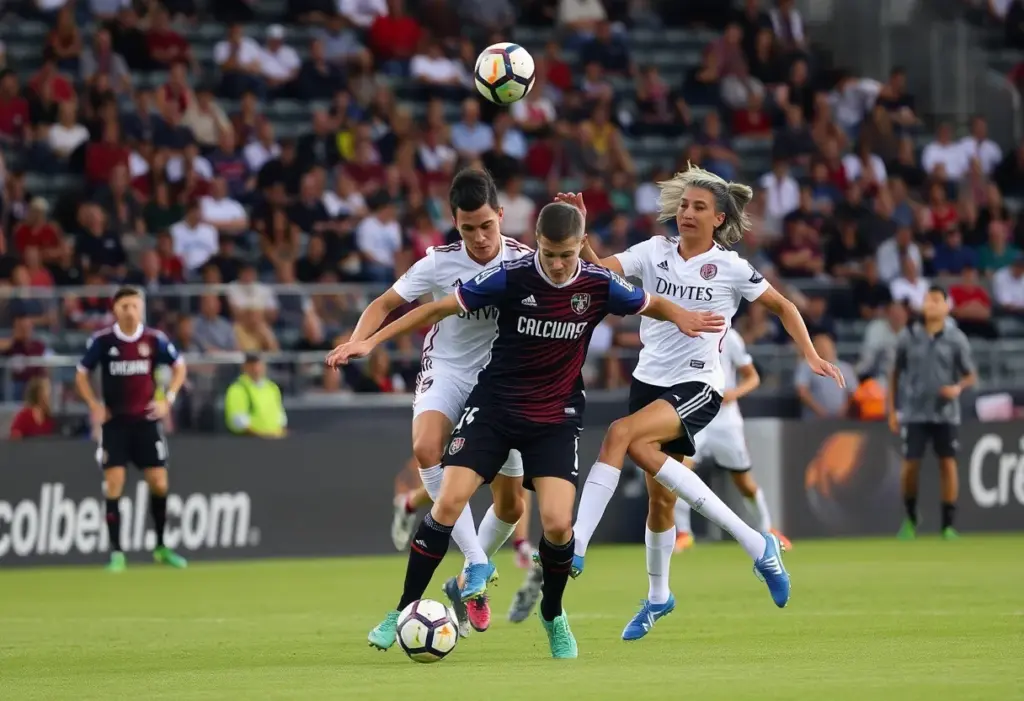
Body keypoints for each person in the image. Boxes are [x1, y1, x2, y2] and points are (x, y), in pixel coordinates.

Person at [327, 201, 724, 659]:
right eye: (549, 254)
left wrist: (682, 316)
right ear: (538, 243)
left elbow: (649, 302)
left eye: (567, 255)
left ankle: (552, 614)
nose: (557, 264)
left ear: (580, 246)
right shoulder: (511, 276)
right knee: (449, 502)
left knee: (557, 525)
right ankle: (401, 609)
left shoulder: (598, 283)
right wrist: (369, 341)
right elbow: (435, 310)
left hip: (555, 419)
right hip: (495, 408)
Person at [560, 165, 845, 641]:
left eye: (699, 207)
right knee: (661, 499)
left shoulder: (731, 267)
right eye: (684, 205)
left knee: (620, 435)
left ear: (718, 219)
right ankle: (664, 594)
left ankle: (576, 545)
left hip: (698, 385)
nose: (687, 213)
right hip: (648, 382)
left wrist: (811, 354)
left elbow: (784, 306)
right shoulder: (653, 251)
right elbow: (597, 274)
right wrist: (581, 231)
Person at [338, 169, 533, 636]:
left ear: (500, 215)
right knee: (428, 448)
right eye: (468, 229)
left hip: (499, 382)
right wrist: (359, 340)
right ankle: (477, 563)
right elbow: (384, 304)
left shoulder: (526, 261)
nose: (480, 237)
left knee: (511, 507)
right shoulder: (438, 263)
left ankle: (465, 577)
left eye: (487, 225)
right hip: (448, 370)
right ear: (455, 224)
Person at [75, 287, 189, 572]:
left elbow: (180, 367)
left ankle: (161, 546)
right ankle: (117, 553)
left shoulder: (154, 339)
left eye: (135, 306)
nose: (130, 311)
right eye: (124, 306)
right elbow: (81, 373)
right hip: (115, 424)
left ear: (142, 309)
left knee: (159, 482)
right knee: (114, 483)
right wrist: (94, 404)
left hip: (146, 422)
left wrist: (168, 399)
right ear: (115, 309)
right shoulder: (103, 341)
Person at [672, 328, 792, 554]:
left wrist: (733, 394)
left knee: (744, 482)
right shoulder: (685, 330)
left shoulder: (731, 337)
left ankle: (767, 530)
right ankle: (684, 533)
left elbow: (753, 377)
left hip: (726, 423)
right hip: (695, 417)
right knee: (679, 472)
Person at [888, 286, 976, 540]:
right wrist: (892, 409)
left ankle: (947, 524)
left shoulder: (956, 338)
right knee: (910, 466)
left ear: (947, 306)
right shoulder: (908, 336)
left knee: (948, 464)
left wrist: (958, 388)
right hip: (914, 412)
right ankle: (911, 517)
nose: (931, 304)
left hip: (945, 413)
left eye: (937, 300)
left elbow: (970, 375)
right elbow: (894, 374)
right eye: (928, 299)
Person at [224, 353, 287, 438]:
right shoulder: (238, 389)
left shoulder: (272, 387)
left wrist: (280, 432)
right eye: (252, 366)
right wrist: (260, 435)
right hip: (250, 440)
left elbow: (280, 414)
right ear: (244, 367)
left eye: (259, 365)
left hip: (274, 437)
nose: (256, 369)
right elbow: (238, 419)